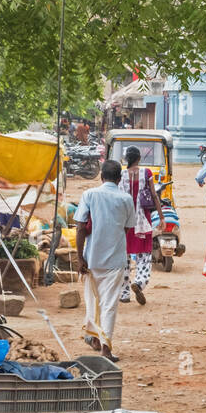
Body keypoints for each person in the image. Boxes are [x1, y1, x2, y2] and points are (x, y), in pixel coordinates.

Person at [75, 158, 135, 362]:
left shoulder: (89, 195)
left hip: (91, 258)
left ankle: (95, 338)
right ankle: (105, 347)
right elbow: (127, 228)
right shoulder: (126, 199)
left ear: (101, 176)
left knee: (92, 301)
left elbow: (81, 226)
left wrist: (79, 256)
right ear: (119, 179)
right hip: (115, 259)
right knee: (109, 304)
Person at [120, 145, 162, 307]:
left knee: (124, 258)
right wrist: (162, 217)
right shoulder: (147, 173)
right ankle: (140, 281)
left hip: (124, 222)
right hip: (143, 221)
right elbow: (154, 196)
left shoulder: (121, 174)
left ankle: (124, 294)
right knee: (144, 255)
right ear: (139, 158)